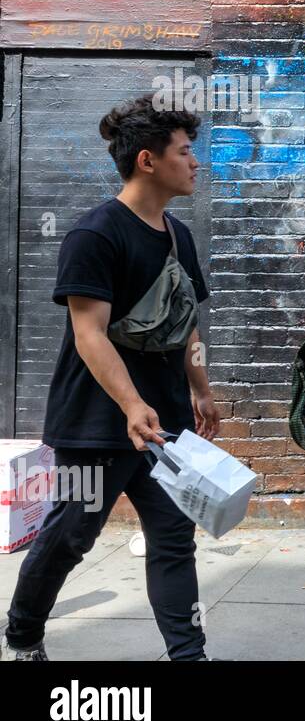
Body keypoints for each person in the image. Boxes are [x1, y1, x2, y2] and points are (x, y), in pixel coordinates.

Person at [2, 96, 219, 662]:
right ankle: (23, 635)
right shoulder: (96, 234)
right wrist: (129, 404)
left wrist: (200, 387)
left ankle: (188, 655)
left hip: (165, 423)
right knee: (70, 536)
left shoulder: (179, 235)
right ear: (148, 160)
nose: (195, 163)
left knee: (174, 540)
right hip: (96, 424)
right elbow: (89, 334)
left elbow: (186, 322)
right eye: (185, 151)